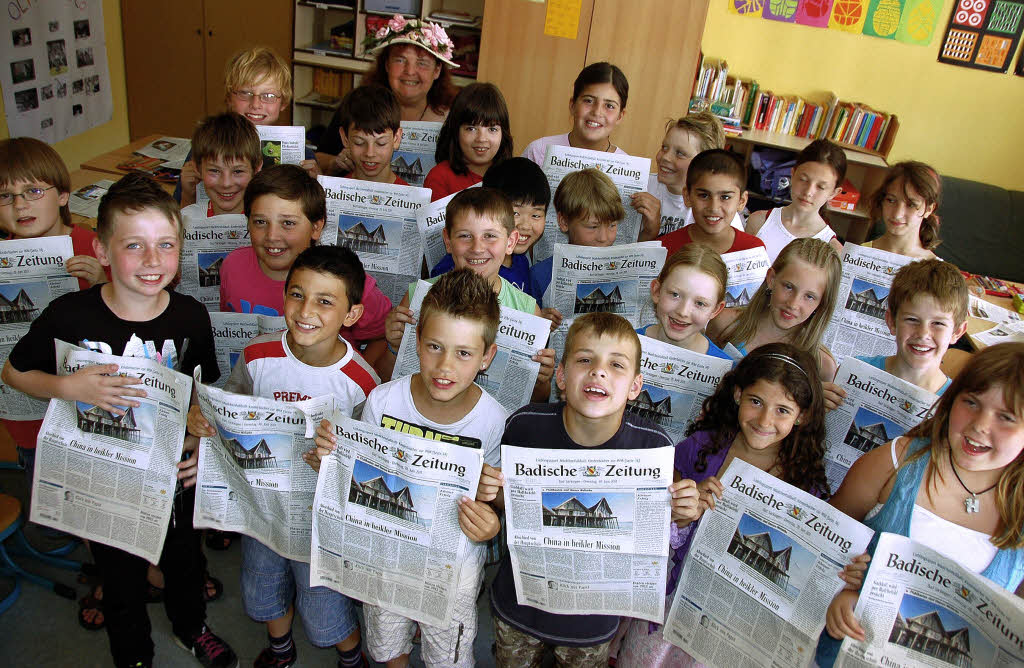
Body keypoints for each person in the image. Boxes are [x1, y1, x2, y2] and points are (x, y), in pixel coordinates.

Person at [1, 173, 237, 668]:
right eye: (135, 246)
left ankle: (191, 629)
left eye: (166, 245)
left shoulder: (191, 316)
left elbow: (204, 391)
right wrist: (69, 387)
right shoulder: (70, 315)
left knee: (185, 563)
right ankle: (132, 653)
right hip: (103, 478)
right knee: (121, 578)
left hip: (172, 475)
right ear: (104, 252)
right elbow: (14, 370)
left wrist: (199, 446)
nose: (153, 262)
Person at [189, 245, 378, 668]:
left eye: (325, 301)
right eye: (297, 294)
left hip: (318, 517)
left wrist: (335, 460)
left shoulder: (362, 383)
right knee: (262, 582)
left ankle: (350, 656)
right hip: (262, 505)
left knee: (322, 597)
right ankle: (280, 649)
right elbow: (230, 404)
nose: (306, 310)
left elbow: (364, 460)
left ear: (351, 315)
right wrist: (206, 417)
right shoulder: (258, 354)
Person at [478, 312, 699, 666]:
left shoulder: (653, 447)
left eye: (616, 365)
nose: (599, 371)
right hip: (521, 603)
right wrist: (491, 490)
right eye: (585, 360)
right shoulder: (525, 426)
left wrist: (682, 515)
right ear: (562, 376)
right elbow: (511, 505)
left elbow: (661, 529)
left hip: (594, 621)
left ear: (635, 387)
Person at [310, 269, 505, 668]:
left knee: (447, 651)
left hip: (453, 570)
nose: (445, 365)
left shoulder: (495, 421)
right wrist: (327, 460)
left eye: (464, 353)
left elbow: (498, 499)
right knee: (385, 641)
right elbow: (352, 473)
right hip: (384, 558)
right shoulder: (384, 401)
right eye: (434, 346)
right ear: (417, 341)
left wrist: (493, 521)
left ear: (487, 357)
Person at [617, 343, 830, 666]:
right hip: (674, 607)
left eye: (782, 410)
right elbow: (649, 521)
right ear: (737, 395)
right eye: (755, 402)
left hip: (738, 628)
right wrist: (684, 510)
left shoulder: (805, 486)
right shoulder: (700, 448)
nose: (764, 419)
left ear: (802, 416)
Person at [815, 342, 1024, 667]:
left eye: (1006, 417)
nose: (980, 425)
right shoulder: (894, 462)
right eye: (971, 402)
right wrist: (843, 588)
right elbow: (820, 539)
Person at [0, 136, 113, 630]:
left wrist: (101, 280)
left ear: (63, 194)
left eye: (32, 191)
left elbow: (132, 320)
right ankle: (89, 548)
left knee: (102, 490)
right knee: (58, 490)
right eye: (5, 196)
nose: (20, 205)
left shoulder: (90, 244)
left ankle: (111, 567)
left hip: (91, 403)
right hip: (24, 406)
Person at [384, 188, 555, 394]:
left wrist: (541, 381)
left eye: (490, 236)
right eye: (465, 236)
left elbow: (534, 400)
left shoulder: (528, 310)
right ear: (448, 240)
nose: (477, 248)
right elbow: (387, 380)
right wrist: (394, 347)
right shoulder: (416, 296)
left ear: (510, 242)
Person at [218, 164, 391, 355]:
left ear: (316, 228)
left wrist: (360, 375)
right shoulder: (232, 266)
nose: (272, 236)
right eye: (260, 222)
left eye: (288, 223)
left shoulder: (349, 282)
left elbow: (383, 335)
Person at [317, 15, 460, 173]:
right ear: (386, 64)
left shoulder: (454, 116)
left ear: (437, 70)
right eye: (400, 60)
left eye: (422, 63)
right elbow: (319, 156)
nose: (410, 71)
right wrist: (335, 163)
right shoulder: (358, 105)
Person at [178, 46, 318, 206]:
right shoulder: (206, 146)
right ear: (229, 98)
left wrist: (317, 185)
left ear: (283, 102)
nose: (256, 104)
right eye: (245, 93)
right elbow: (181, 216)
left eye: (269, 96)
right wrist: (188, 193)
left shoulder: (303, 155)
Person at [822, 259, 969, 410]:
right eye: (912, 320)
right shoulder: (853, 372)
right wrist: (818, 405)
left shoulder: (956, 404)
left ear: (957, 332)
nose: (923, 333)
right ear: (891, 322)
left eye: (938, 323)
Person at [709, 237, 842, 382]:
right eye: (788, 287)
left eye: (809, 296)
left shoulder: (822, 365)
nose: (793, 304)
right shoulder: (724, 324)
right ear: (772, 279)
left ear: (823, 303)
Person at [429, 156, 550, 291]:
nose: (525, 226)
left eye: (536, 215)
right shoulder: (453, 268)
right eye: (515, 213)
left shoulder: (521, 262)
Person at [528, 168, 625, 320]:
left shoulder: (624, 269)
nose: (604, 237)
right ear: (564, 222)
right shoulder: (541, 275)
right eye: (593, 227)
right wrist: (540, 321)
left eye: (612, 225)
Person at [634, 112, 743, 238]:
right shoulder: (642, 186)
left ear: (704, 163)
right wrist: (648, 232)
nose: (665, 157)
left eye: (680, 153)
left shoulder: (719, 211)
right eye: (664, 147)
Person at [745, 139, 846, 262]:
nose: (808, 192)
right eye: (803, 179)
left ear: (834, 193)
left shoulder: (833, 250)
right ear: (792, 175)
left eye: (821, 187)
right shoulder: (758, 222)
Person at [655, 149, 765, 257]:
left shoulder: (754, 251)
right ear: (687, 196)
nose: (714, 208)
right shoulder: (663, 249)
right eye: (704, 195)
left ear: (742, 201)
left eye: (725, 197)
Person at [522, 62, 630, 165]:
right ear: (572, 105)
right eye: (588, 100)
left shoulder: (628, 167)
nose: (597, 112)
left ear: (620, 116)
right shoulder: (538, 152)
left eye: (609, 106)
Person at [636, 245, 731, 360]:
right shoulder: (623, 345)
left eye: (700, 303)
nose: (683, 312)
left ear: (715, 310)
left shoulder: (726, 369)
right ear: (657, 291)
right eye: (675, 295)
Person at [423, 82, 513, 201]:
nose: (481, 138)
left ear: (503, 134)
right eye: (471, 128)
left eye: (492, 129)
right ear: (456, 131)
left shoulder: (512, 177)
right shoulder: (440, 177)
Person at [180, 112, 262, 219]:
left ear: (256, 169)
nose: (226, 184)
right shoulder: (189, 214)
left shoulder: (265, 220)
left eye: (238, 171)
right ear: (197, 169)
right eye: (214, 171)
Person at [861, 161, 942, 259]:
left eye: (911, 205)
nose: (897, 214)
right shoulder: (858, 254)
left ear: (929, 209)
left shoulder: (935, 270)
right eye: (891, 200)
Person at [334, 84, 408, 185]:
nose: (370, 153)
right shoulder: (333, 192)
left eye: (381, 143)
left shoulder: (411, 198)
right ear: (345, 138)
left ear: (397, 138)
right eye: (359, 142)